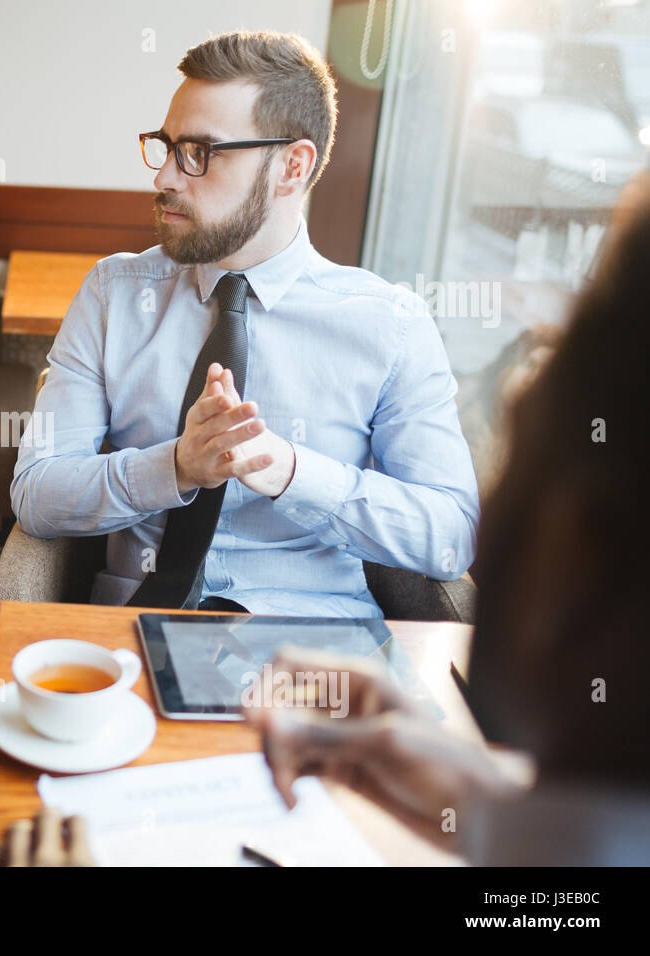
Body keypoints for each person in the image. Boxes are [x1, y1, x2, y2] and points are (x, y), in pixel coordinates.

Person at [244, 182, 650, 864]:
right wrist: (483, 802)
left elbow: (444, 533)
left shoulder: (391, 322)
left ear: (576, 553)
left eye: (514, 447)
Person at [9, 31, 478, 616]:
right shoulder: (114, 294)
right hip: (135, 632)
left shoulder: (392, 325)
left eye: (200, 152)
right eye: (168, 145)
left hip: (312, 648)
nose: (165, 179)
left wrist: (291, 472)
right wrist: (175, 466)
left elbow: (451, 535)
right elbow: (36, 493)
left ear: (292, 166)